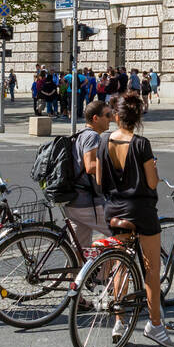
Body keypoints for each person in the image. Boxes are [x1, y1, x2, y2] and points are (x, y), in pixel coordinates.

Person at [86, 92, 173, 347]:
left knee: (121, 267)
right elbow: (151, 182)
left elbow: (100, 180)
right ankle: (155, 325)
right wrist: (153, 167)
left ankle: (119, 321)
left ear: (117, 116)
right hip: (141, 211)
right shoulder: (141, 144)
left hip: (113, 210)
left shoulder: (104, 141)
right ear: (138, 119)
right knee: (152, 270)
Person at [70, 99, 113, 249]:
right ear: (96, 118)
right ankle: (106, 273)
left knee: (79, 252)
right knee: (122, 234)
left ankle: (76, 272)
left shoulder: (79, 134)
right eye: (107, 115)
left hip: (74, 200)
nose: (111, 119)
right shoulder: (92, 136)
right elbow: (90, 166)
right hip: (87, 202)